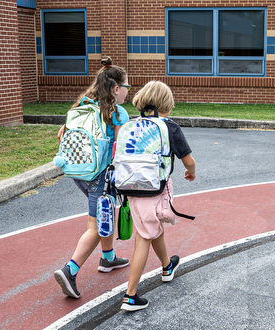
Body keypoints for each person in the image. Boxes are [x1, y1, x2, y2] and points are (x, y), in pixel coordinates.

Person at [53, 57, 130, 298]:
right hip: (102, 176)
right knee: (97, 225)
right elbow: (121, 148)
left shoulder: (82, 107)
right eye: (127, 87)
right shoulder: (117, 113)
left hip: (80, 173)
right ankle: (70, 270)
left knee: (104, 215)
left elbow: (60, 137)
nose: (128, 92)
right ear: (116, 89)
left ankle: (108, 259)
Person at [120, 81, 196, 312]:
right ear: (168, 104)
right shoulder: (169, 127)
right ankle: (130, 296)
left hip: (131, 187)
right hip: (156, 188)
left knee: (152, 228)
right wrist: (191, 173)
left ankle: (166, 267)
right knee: (144, 236)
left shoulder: (132, 125)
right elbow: (188, 160)